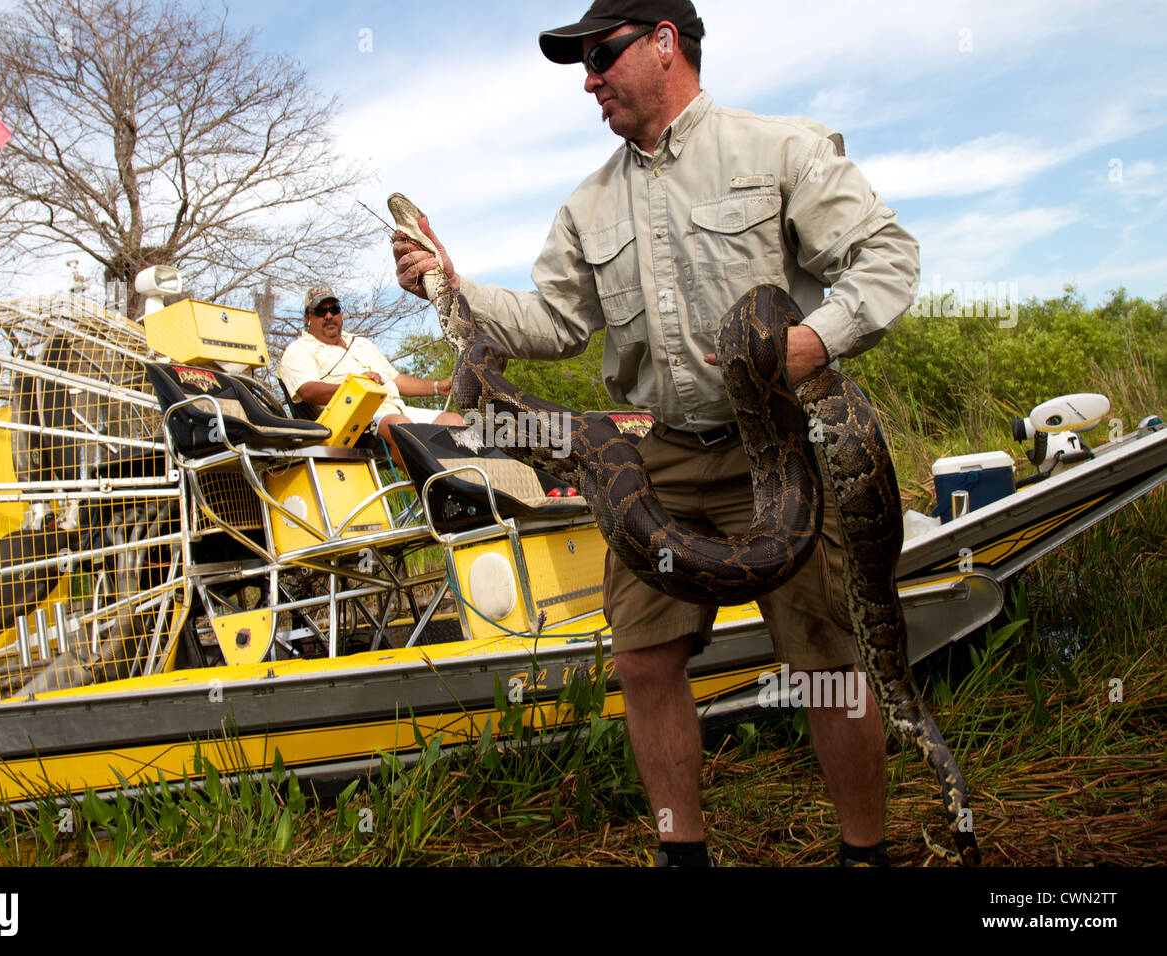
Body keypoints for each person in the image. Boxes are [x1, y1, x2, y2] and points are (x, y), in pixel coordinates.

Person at [392, 0, 919, 868]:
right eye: (583, 65)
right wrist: (451, 287)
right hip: (664, 449)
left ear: (665, 43)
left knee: (826, 660)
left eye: (601, 55)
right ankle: (684, 856)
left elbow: (886, 256)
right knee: (642, 659)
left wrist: (819, 339)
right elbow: (555, 322)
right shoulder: (587, 204)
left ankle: (865, 853)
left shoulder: (779, 149)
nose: (589, 79)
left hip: (777, 445)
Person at [278, 285, 464, 465]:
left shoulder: (361, 343)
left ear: (341, 314)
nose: (328, 316)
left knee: (456, 424)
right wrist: (357, 388)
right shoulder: (299, 349)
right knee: (404, 430)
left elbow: (395, 379)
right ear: (308, 317)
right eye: (320, 312)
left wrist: (436, 387)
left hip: (398, 410)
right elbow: (308, 390)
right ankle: (432, 492)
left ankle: (467, 490)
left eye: (334, 309)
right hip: (358, 420)